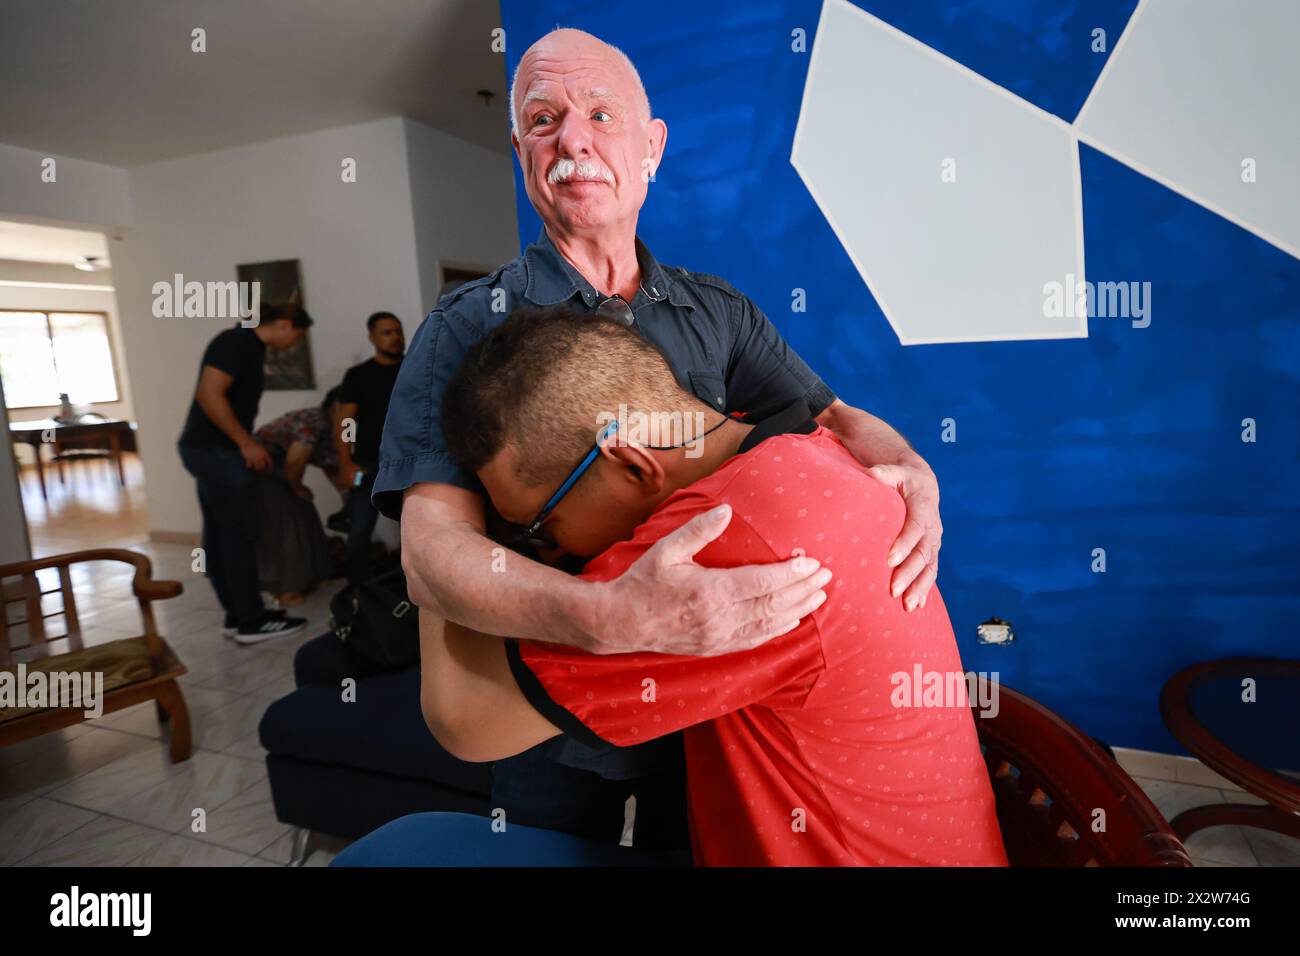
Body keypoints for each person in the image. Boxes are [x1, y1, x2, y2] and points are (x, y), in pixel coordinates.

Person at [374, 28, 944, 845]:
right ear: (520, 151)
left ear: (651, 148)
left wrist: (909, 466)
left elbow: (832, 419)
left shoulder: (719, 311)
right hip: (548, 709)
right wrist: (603, 618)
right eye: (542, 120)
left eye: (600, 114)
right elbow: (431, 555)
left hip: (719, 696)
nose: (571, 137)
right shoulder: (466, 325)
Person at [338, 310, 1005, 866]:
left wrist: (442, 524)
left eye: (539, 524)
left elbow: (464, 719)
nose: (552, 551)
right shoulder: (807, 449)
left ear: (630, 461)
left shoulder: (719, 543)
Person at [177, 303, 311, 644]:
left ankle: (238, 615)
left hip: (208, 451)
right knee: (239, 537)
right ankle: (251, 621)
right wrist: (246, 443)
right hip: (217, 453)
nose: (295, 341)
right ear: (283, 323)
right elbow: (209, 395)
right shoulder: (236, 342)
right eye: (297, 333)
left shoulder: (246, 345)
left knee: (222, 536)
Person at [251, 387, 343, 605]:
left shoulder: (336, 430)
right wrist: (297, 487)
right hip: (261, 467)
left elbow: (333, 468)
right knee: (287, 523)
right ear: (336, 406)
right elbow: (294, 461)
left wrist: (349, 499)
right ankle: (286, 588)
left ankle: (316, 576)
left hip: (280, 471)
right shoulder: (315, 421)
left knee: (306, 511)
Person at [335, 311, 404, 583]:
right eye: (387, 332)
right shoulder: (358, 375)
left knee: (416, 527)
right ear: (372, 337)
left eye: (398, 331)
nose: (396, 337)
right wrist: (345, 461)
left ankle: (411, 591)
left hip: (407, 462)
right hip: (367, 463)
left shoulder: (415, 368)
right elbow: (345, 420)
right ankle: (357, 593)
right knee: (360, 528)